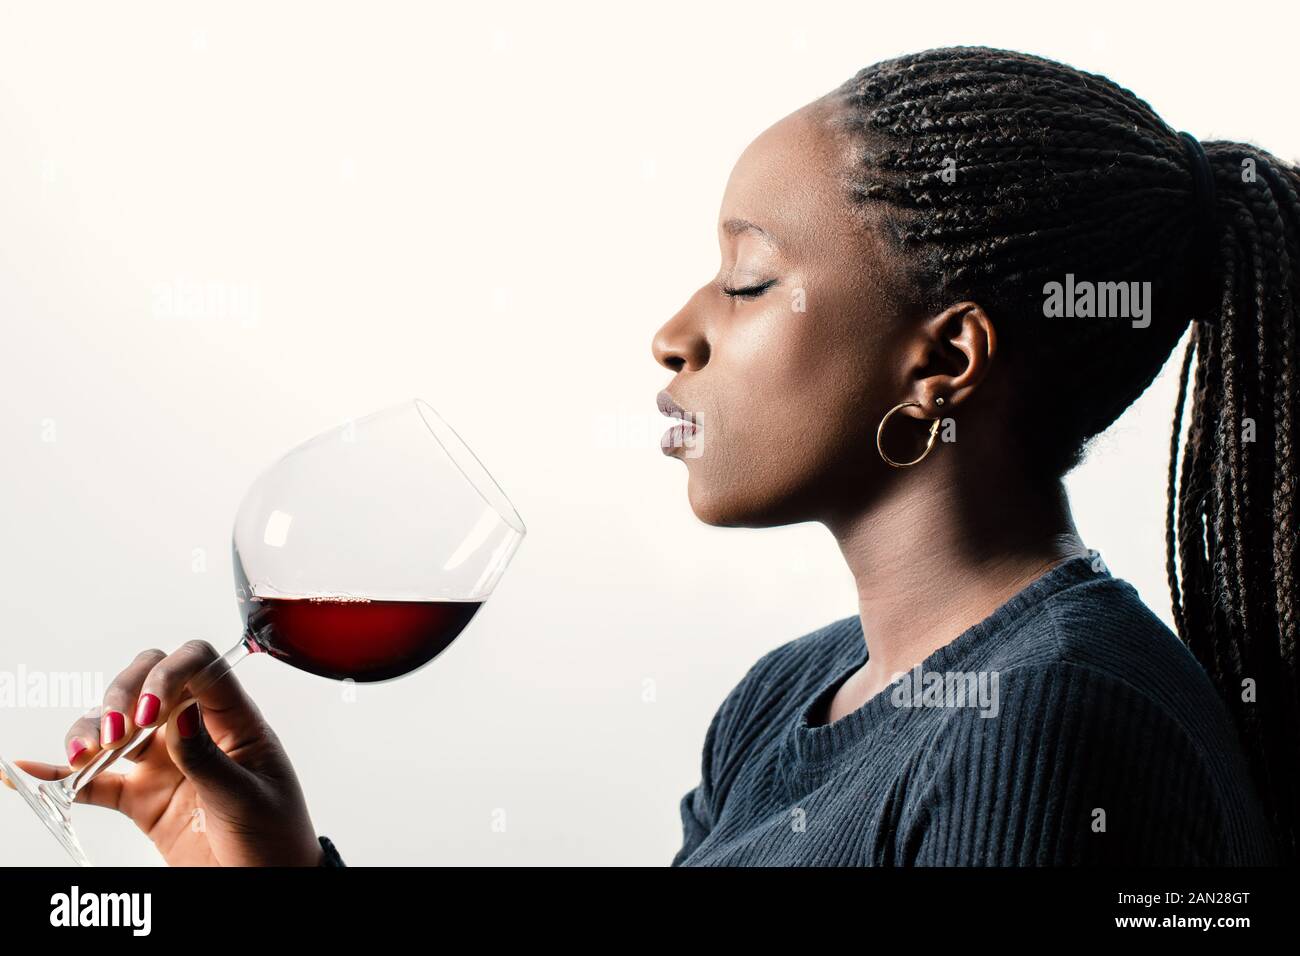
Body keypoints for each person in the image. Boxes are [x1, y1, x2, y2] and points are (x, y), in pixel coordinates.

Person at [6, 46, 1296, 866]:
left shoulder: (1056, 724)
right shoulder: (786, 700)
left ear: (944, 363)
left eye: (746, 279)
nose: (674, 334)